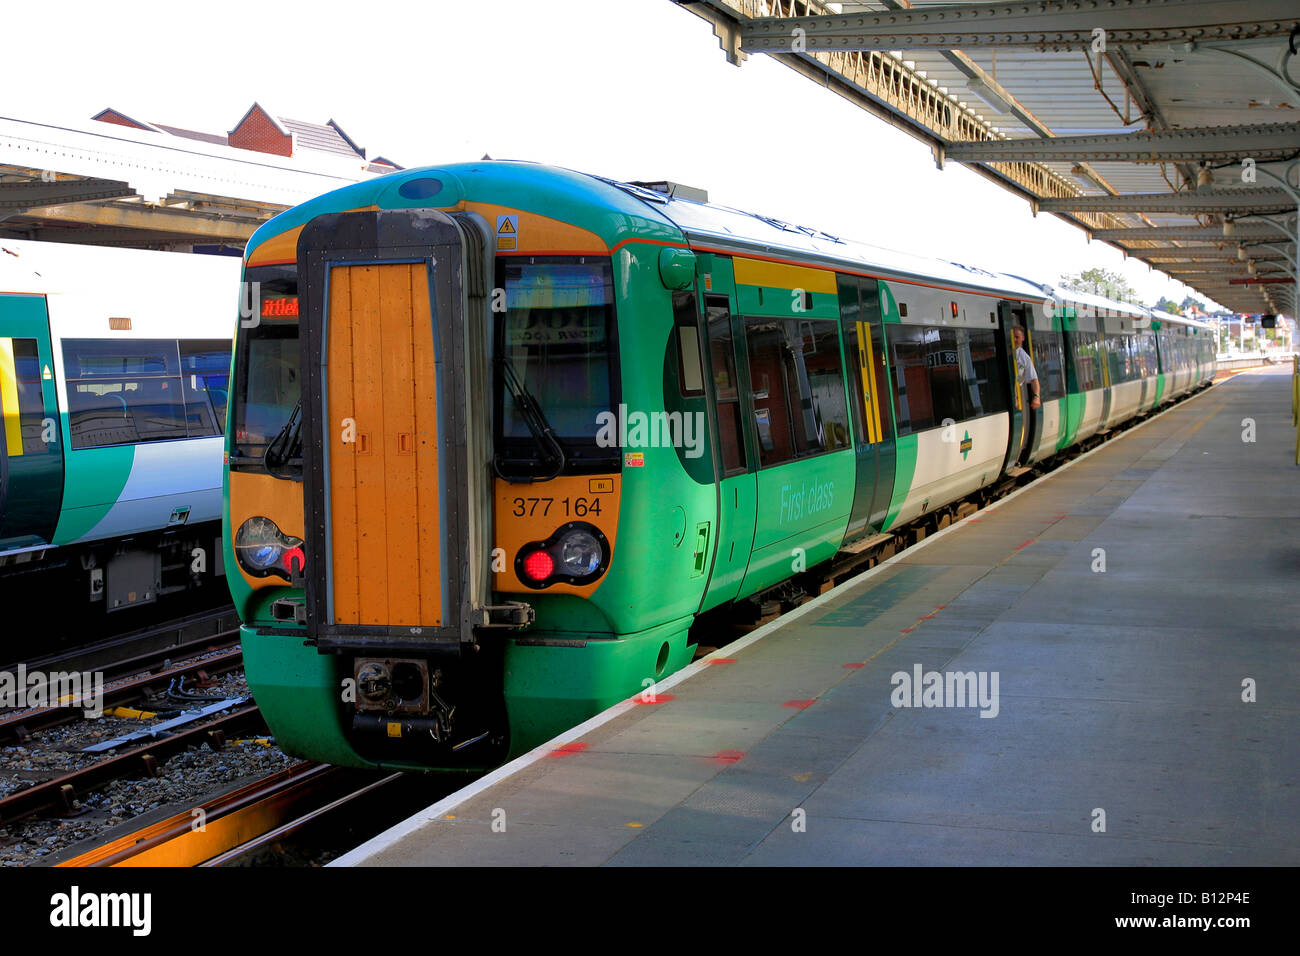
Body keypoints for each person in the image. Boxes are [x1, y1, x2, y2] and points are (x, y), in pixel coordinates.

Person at [1012, 325, 1041, 410]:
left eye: (1017, 337)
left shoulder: (1024, 357)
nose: (1014, 340)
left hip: (1014, 394)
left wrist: (1037, 397)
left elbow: (1034, 379)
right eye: (1013, 337)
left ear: (1023, 338)